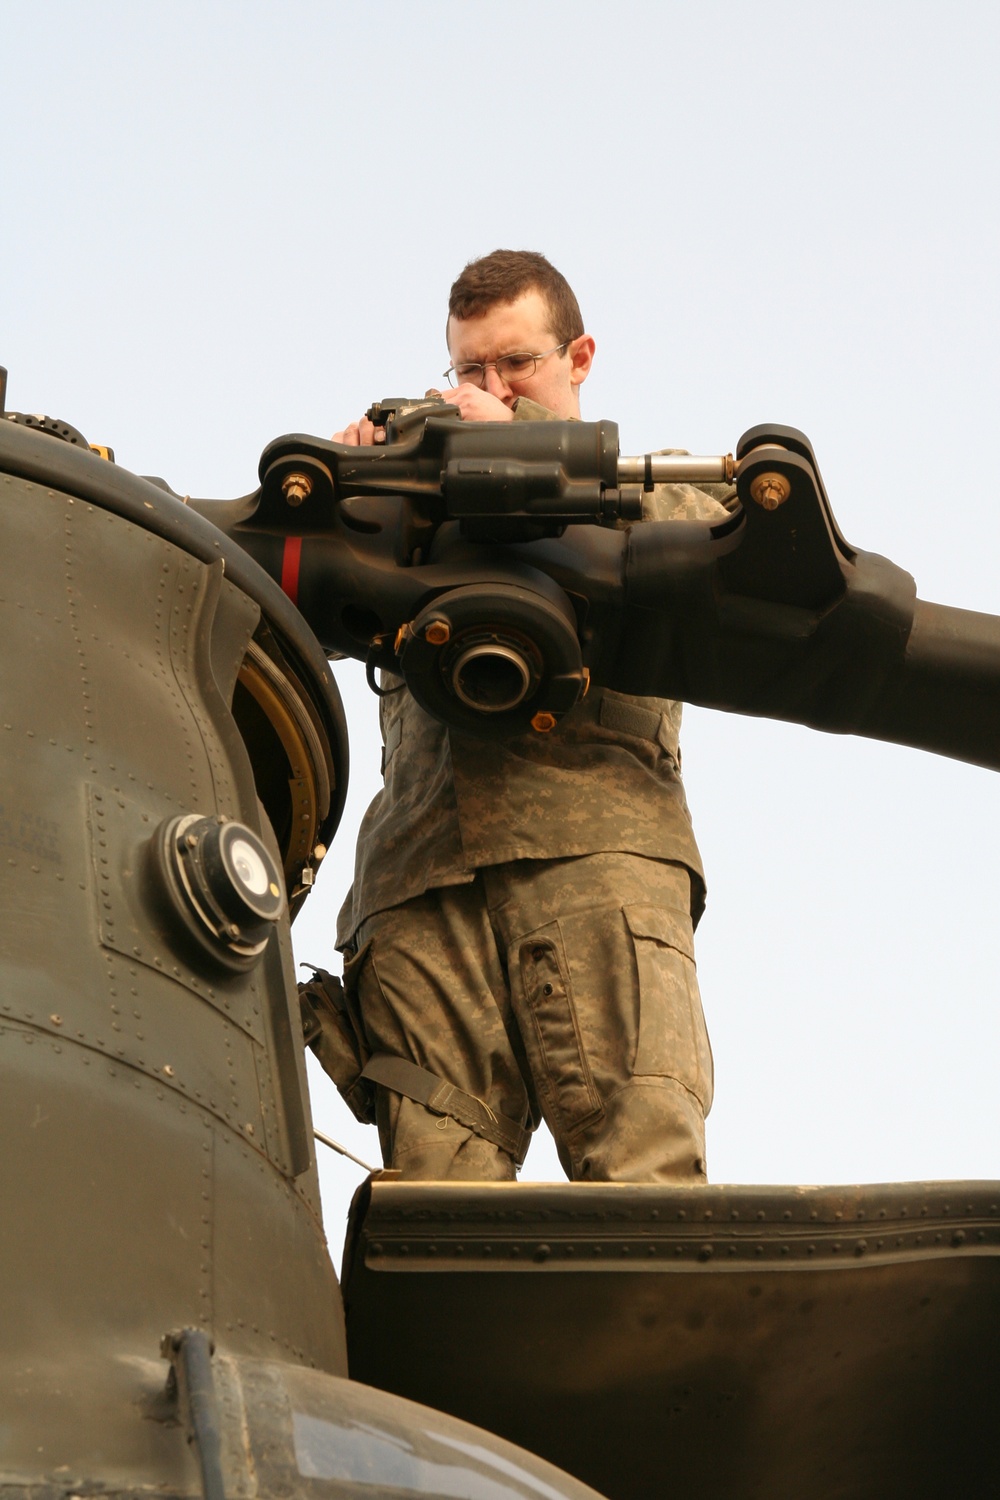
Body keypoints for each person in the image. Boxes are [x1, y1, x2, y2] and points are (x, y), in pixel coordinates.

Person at [325, 249, 732, 1184]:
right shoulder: (416, 513)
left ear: (578, 356)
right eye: (469, 371)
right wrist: (354, 501)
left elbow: (717, 552)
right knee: (439, 1212)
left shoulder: (646, 483)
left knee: (643, 1180)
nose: (490, 387)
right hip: (422, 884)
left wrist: (517, 444)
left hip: (593, 859)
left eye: (517, 365)